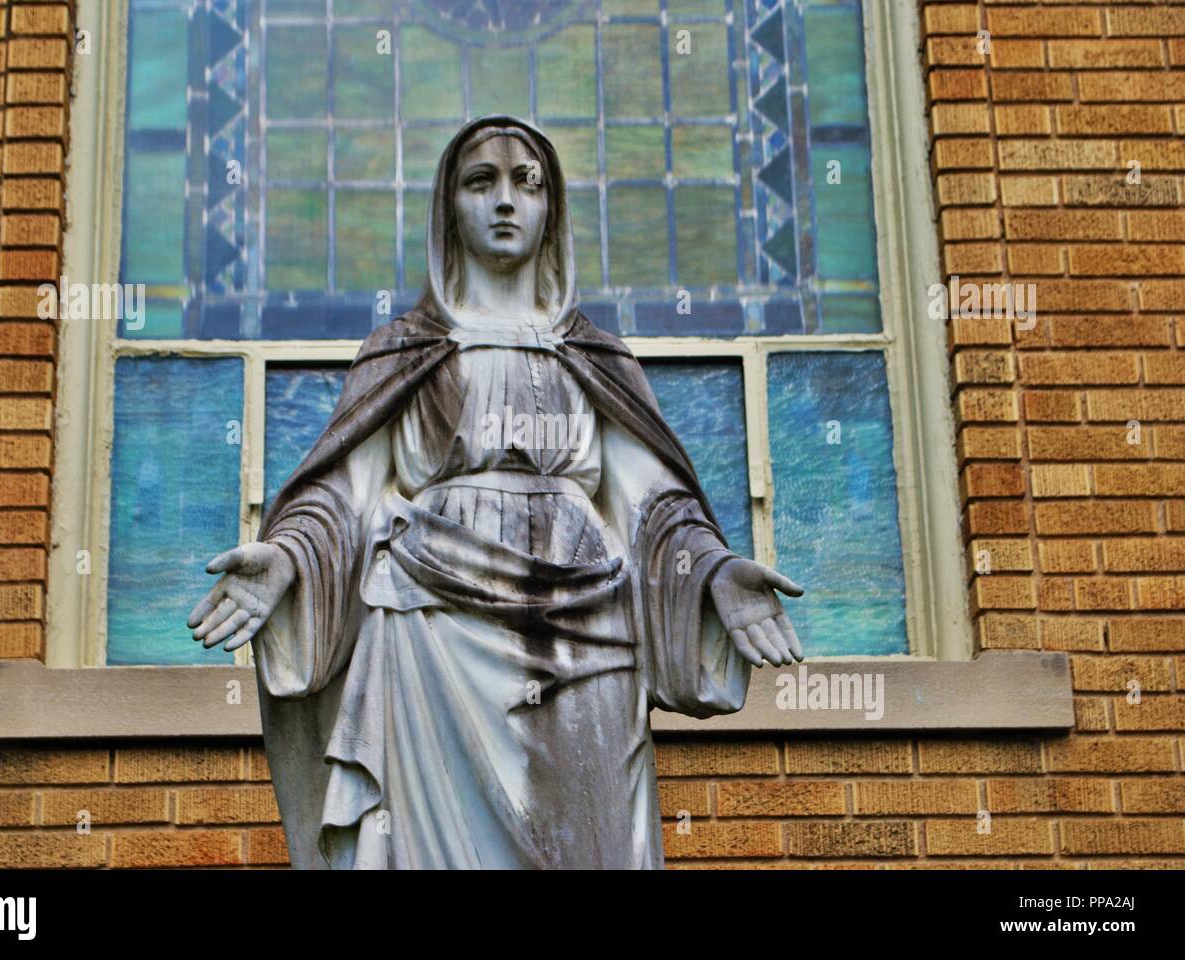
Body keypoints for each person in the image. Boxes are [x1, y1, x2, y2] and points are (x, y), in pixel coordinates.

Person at [187, 115, 805, 869]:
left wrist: (710, 573)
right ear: (451, 207)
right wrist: (289, 559)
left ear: (553, 209)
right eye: (482, 182)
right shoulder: (402, 353)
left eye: (527, 183)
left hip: (588, 631)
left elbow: (656, 511)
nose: (505, 201)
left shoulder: (592, 357)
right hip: (430, 629)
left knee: (597, 841)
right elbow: (341, 500)